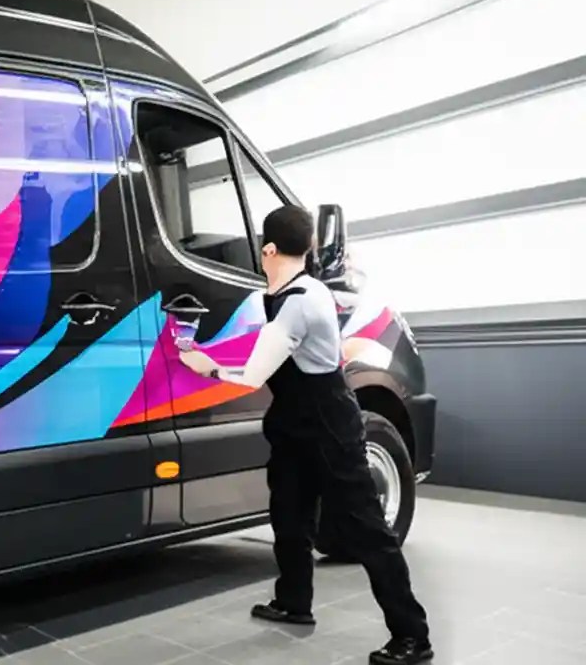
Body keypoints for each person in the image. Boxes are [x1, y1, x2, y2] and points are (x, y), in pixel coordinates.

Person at [179, 205, 433, 665]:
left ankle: (412, 635)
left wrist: (205, 365)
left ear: (268, 250)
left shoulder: (299, 302)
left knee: (365, 527)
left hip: (328, 423)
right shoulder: (292, 290)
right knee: (289, 515)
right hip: (294, 421)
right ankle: (294, 602)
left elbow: (254, 374)